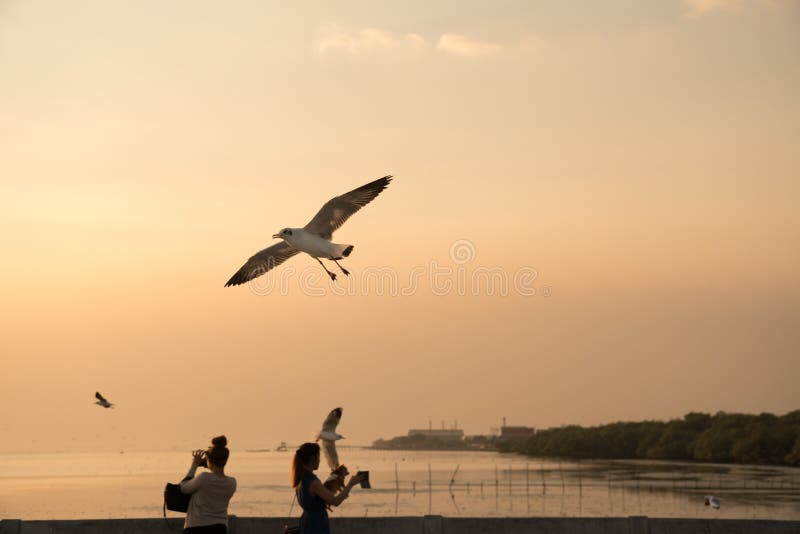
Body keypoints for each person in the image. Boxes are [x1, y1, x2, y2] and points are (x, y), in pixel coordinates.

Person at [291, 442, 363, 534]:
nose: (320, 461)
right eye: (319, 457)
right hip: (316, 527)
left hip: (306, 524)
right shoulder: (313, 482)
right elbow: (335, 501)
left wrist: (335, 479)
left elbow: (320, 499)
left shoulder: (301, 478)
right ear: (313, 458)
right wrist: (351, 484)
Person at [180, 435, 237, 534]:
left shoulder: (204, 478)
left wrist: (194, 465)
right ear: (225, 460)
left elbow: (184, 488)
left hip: (196, 528)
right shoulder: (232, 483)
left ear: (209, 460)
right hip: (220, 528)